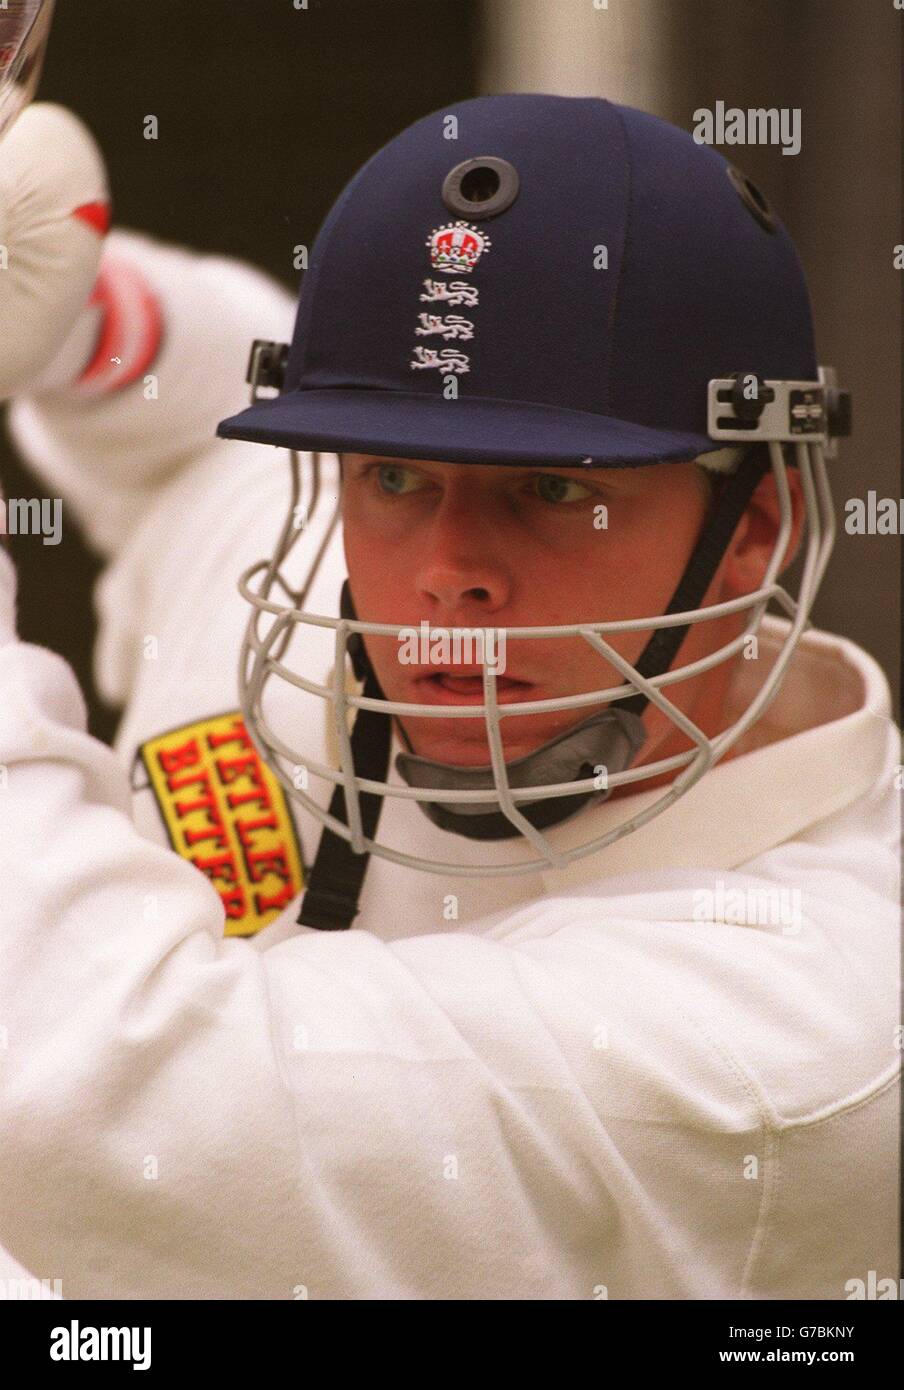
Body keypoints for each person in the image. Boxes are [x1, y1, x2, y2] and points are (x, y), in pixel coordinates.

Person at [0, 92, 899, 1301]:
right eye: (390, 474)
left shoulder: (802, 1030)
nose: (442, 574)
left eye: (545, 491)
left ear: (756, 533)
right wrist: (82, 320)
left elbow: (98, 1101)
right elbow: (183, 442)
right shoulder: (320, 560)